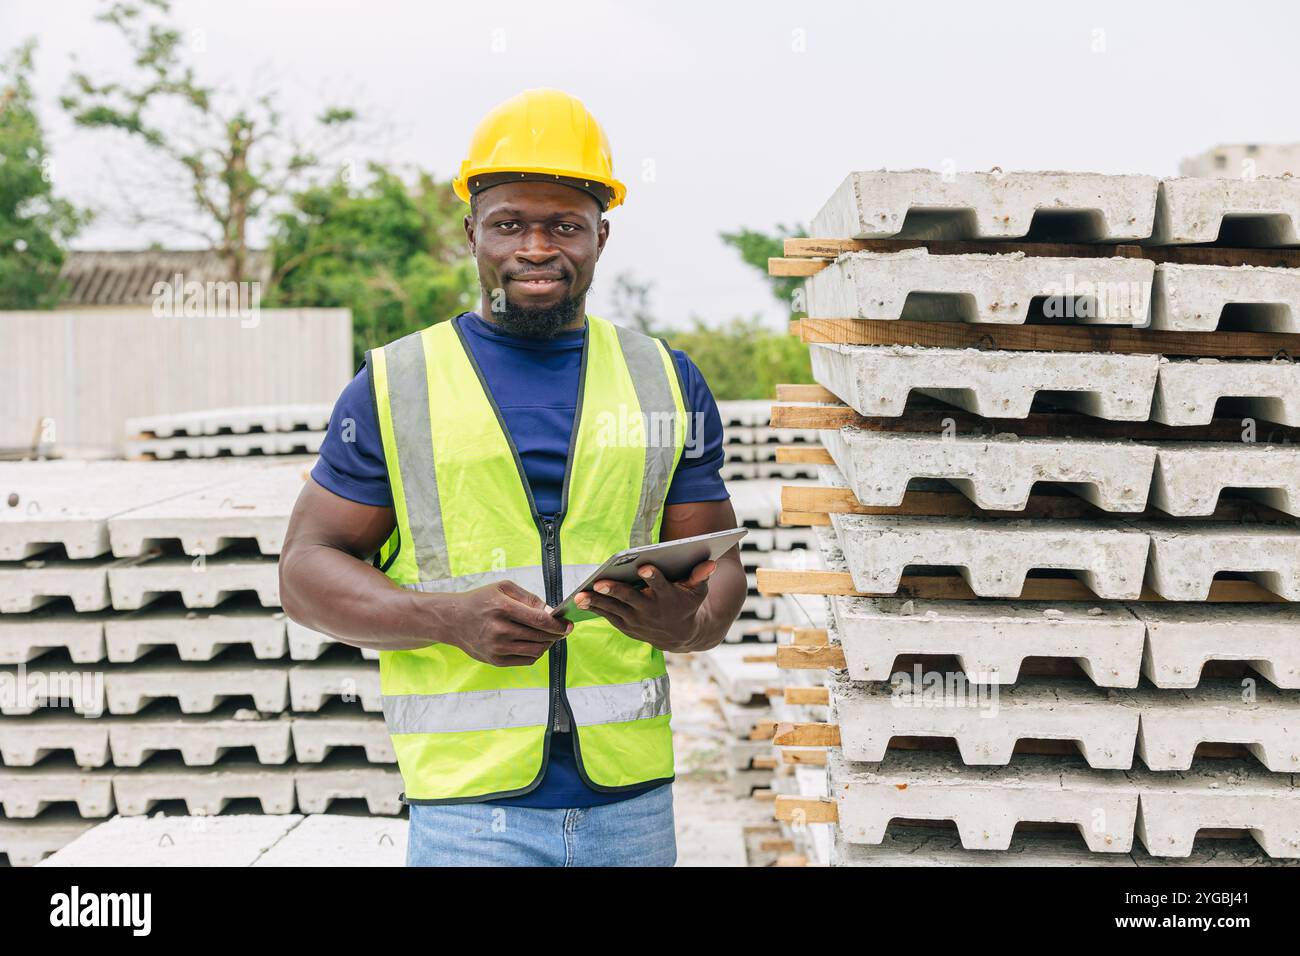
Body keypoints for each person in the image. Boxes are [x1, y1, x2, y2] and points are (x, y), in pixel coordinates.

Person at [278, 88, 747, 867]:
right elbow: (305, 572)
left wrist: (690, 625)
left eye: (564, 224)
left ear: (601, 234)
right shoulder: (398, 383)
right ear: (472, 234)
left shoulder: (664, 378)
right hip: (468, 812)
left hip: (631, 804)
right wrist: (445, 617)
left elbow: (719, 563)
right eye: (509, 225)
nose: (535, 247)